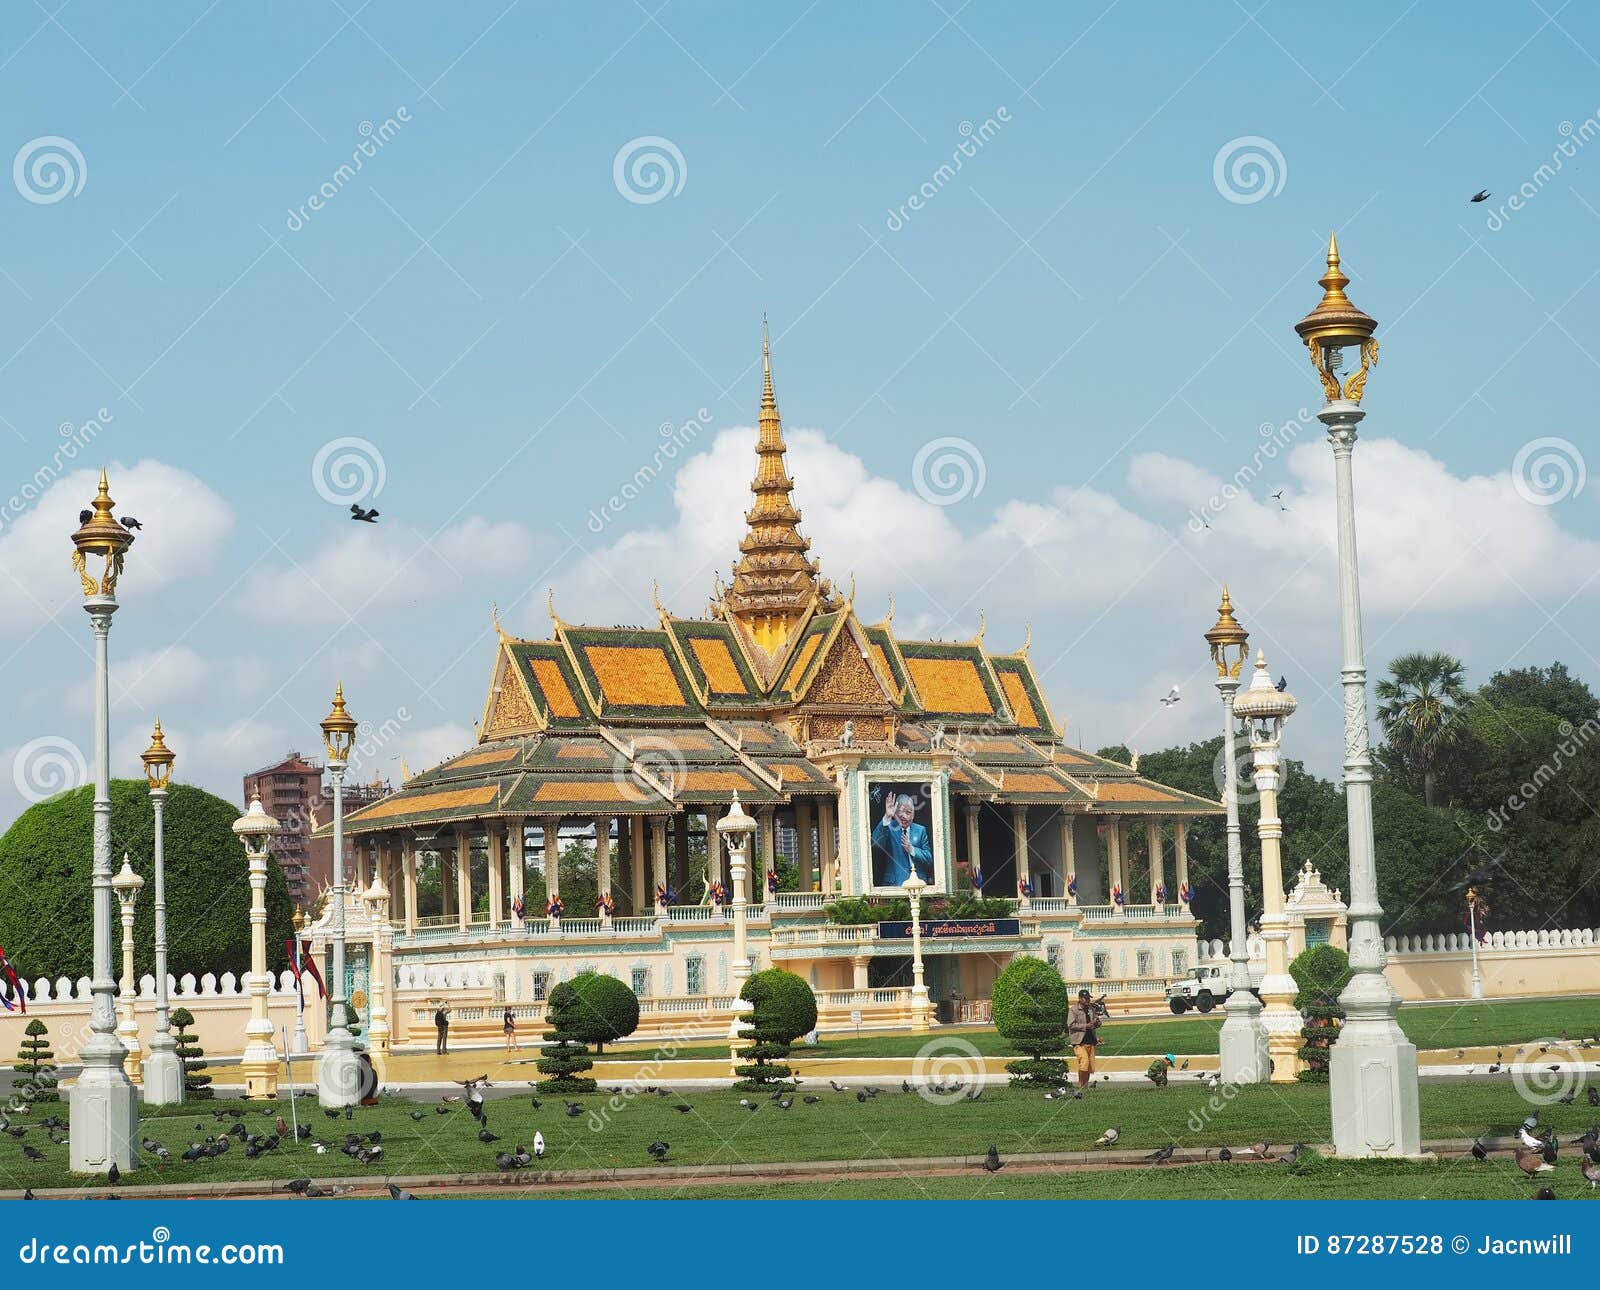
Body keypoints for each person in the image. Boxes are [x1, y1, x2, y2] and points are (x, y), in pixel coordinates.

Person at [871, 791, 933, 886]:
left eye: (908, 812)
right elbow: (875, 843)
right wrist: (887, 817)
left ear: (913, 815)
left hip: (918, 884)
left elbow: (928, 858)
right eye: (900, 812)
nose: (904, 816)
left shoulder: (920, 830)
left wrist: (912, 849)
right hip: (894, 884)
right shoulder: (888, 827)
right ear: (895, 812)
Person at [1067, 989, 1102, 1090]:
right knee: (1084, 1063)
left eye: (1088, 998)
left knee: (1089, 1066)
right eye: (1085, 998)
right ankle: (1082, 1085)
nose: (1087, 1000)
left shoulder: (1091, 1009)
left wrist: (1097, 1023)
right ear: (1079, 998)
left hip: (1090, 1040)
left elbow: (1096, 1021)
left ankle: (1084, 1087)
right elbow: (1071, 1025)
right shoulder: (1073, 1010)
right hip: (1079, 1041)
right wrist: (1086, 1026)